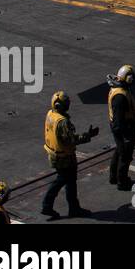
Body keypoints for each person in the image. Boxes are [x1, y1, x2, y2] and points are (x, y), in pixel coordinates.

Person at [41, 91, 98, 220]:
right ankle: (47, 205)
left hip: (55, 154)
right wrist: (88, 135)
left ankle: (74, 208)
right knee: (62, 180)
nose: (67, 106)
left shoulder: (51, 114)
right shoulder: (63, 122)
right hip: (64, 157)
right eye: (66, 104)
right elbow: (72, 139)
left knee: (70, 182)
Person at [107, 64, 135, 190]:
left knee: (119, 151)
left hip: (123, 127)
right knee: (125, 154)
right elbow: (118, 119)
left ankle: (113, 177)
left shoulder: (120, 88)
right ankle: (122, 181)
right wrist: (123, 134)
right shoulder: (120, 96)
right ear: (128, 78)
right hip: (124, 128)